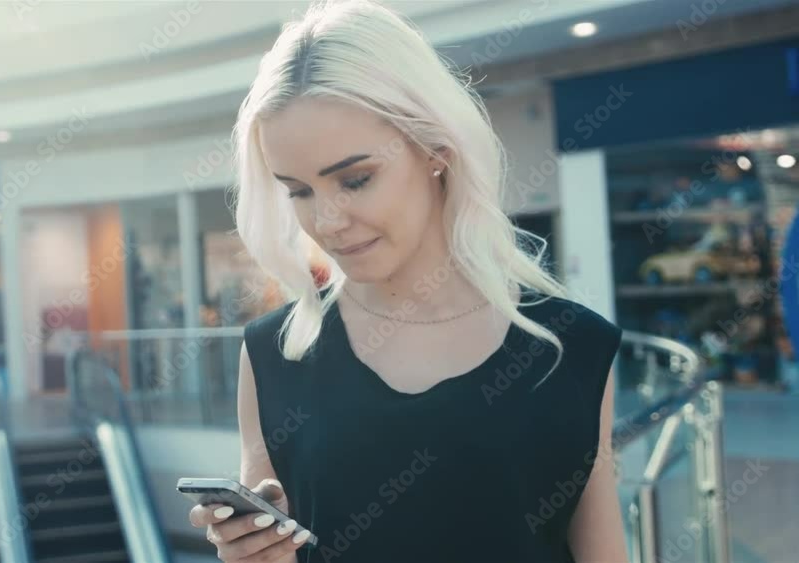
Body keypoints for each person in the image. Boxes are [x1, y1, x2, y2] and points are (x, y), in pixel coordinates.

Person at [188, 1, 627, 561]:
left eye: (355, 179)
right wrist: (249, 554)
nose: (326, 222)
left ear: (435, 152)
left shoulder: (572, 346)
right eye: (298, 190)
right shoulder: (277, 353)